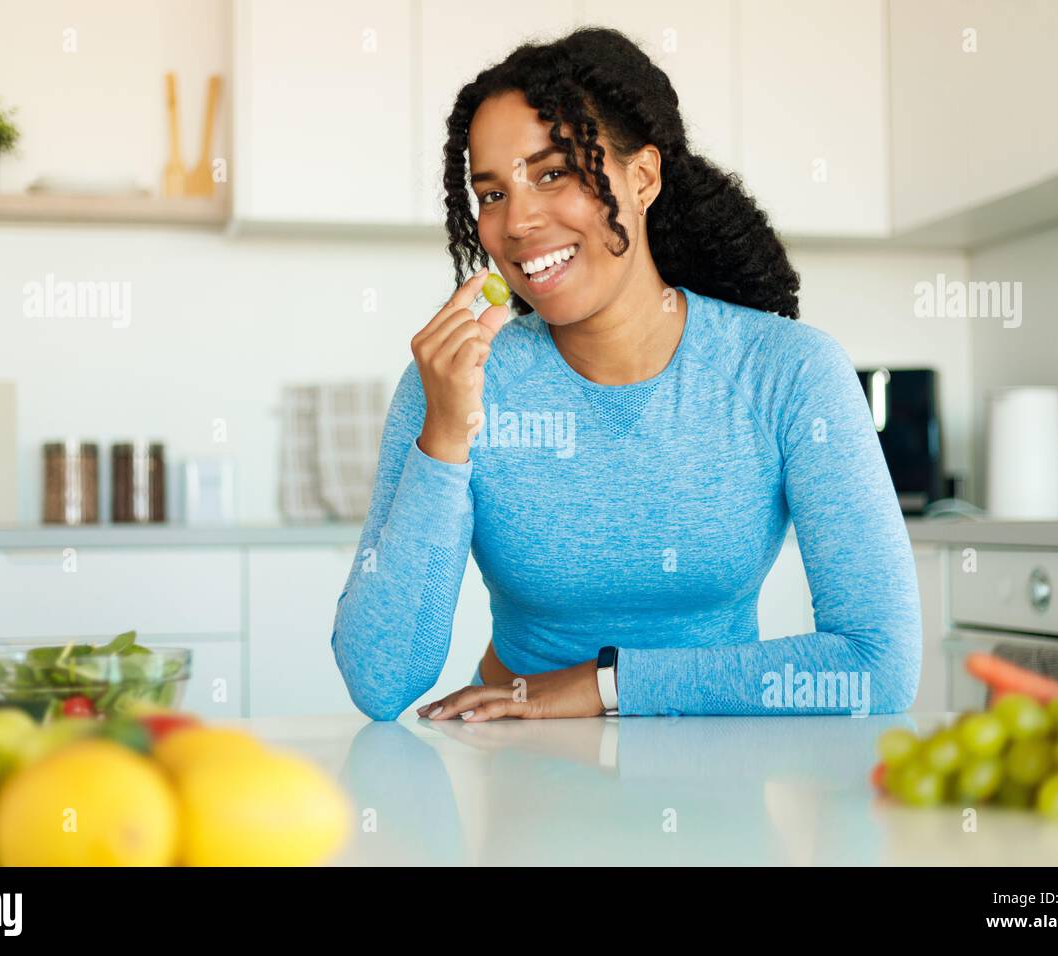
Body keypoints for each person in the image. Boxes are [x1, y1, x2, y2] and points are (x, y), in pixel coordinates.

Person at [330, 26, 920, 721]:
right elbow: (379, 680)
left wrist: (600, 686)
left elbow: (876, 667)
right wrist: (446, 436)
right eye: (490, 194)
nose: (516, 221)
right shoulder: (461, 382)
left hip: (719, 781)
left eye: (552, 172)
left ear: (642, 178)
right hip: (525, 772)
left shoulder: (788, 371)